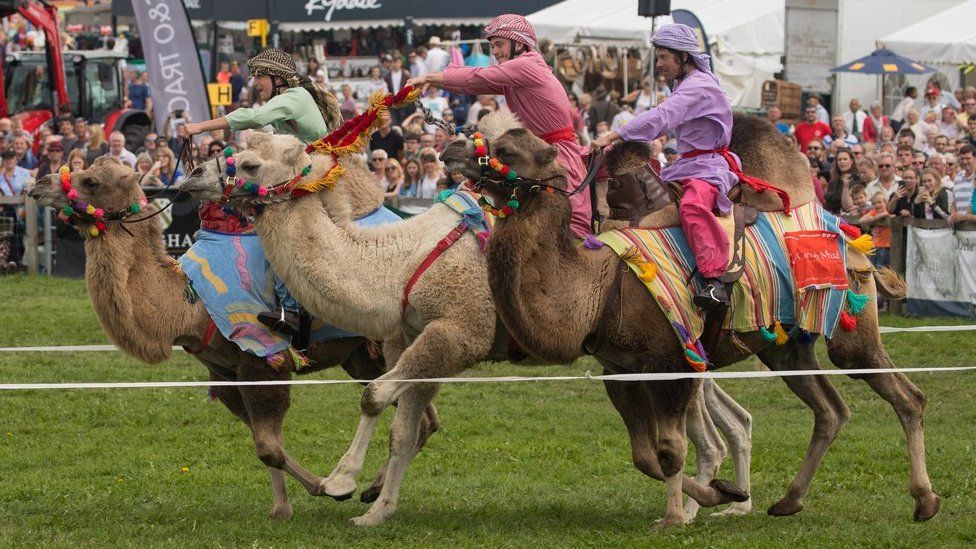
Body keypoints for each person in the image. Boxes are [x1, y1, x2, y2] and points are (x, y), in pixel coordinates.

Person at [590, 23, 788, 309]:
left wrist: (612, 135)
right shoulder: (686, 83)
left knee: (692, 206)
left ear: (683, 57)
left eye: (663, 58)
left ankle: (714, 281)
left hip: (708, 168)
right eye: (657, 58)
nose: (658, 65)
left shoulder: (700, 85)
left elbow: (662, 117)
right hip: (686, 165)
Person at [407, 14, 593, 238]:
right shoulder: (521, 70)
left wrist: (427, 77)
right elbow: (474, 82)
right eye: (492, 45)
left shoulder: (527, 64)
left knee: (570, 235)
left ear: (520, 43)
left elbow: (477, 78)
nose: (494, 51)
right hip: (538, 155)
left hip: (558, 158)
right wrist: (433, 79)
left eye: (499, 44)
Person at [184, 48, 341, 144]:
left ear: (278, 78)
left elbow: (254, 117)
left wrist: (200, 127)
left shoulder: (296, 95)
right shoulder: (282, 100)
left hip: (318, 172)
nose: (255, 82)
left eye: (259, 76)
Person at [859, 192, 891, 268]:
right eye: (874, 203)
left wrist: (873, 219)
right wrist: (871, 218)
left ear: (885, 203)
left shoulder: (886, 211)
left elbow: (885, 214)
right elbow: (861, 220)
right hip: (874, 245)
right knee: (872, 267)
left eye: (880, 202)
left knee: (881, 267)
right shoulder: (874, 212)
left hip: (885, 246)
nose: (877, 205)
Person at [823, 149, 858, 214]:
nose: (842, 162)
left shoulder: (857, 179)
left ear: (851, 161)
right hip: (832, 214)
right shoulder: (833, 181)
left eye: (845, 159)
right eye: (839, 160)